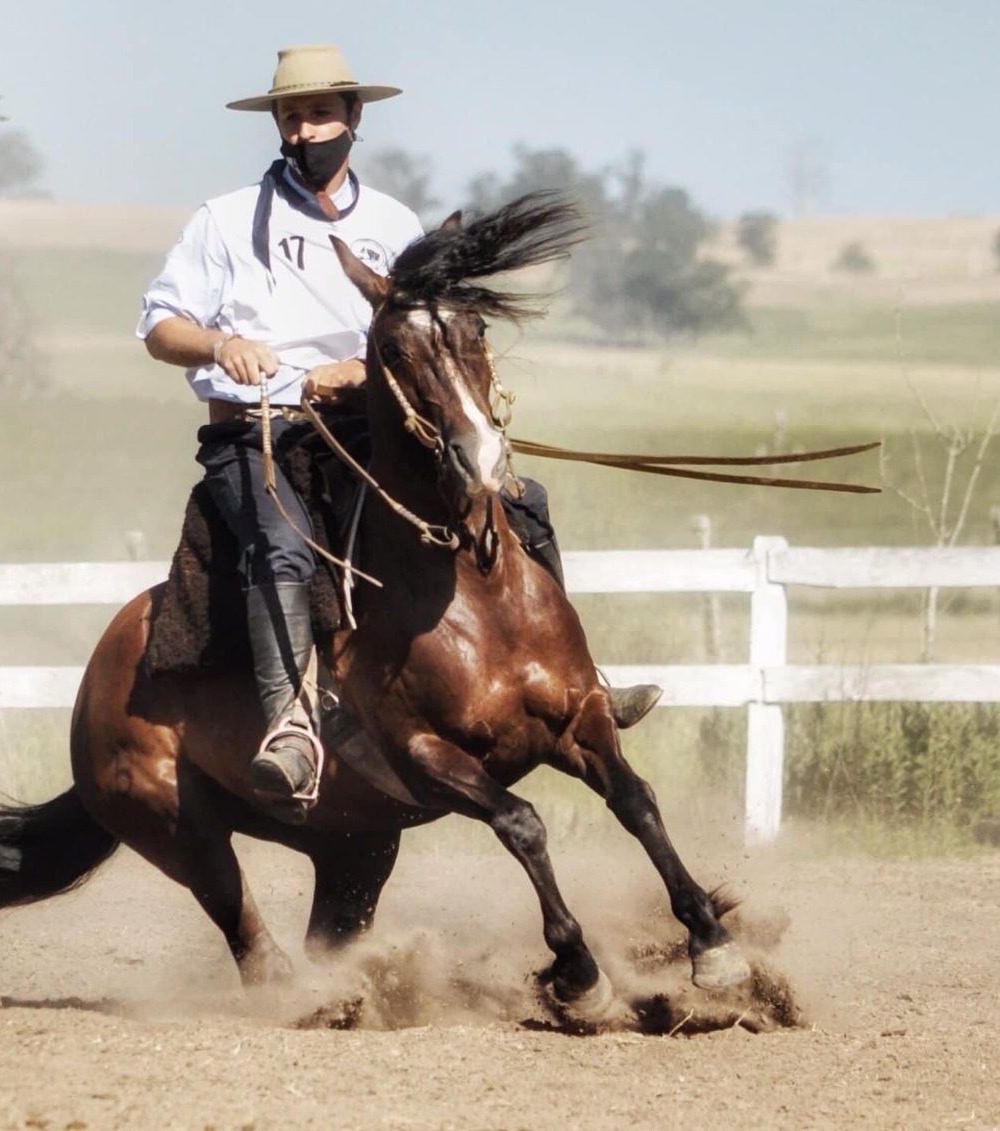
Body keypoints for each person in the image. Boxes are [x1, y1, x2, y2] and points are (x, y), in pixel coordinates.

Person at [137, 45, 659, 812]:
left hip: (369, 428)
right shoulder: (222, 222)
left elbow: (418, 333)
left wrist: (379, 377)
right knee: (281, 544)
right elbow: (158, 327)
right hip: (262, 435)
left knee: (518, 500)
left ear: (354, 119)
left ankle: (582, 686)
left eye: (320, 115)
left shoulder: (394, 222)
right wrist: (222, 344)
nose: (306, 131)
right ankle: (291, 727)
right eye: (291, 117)